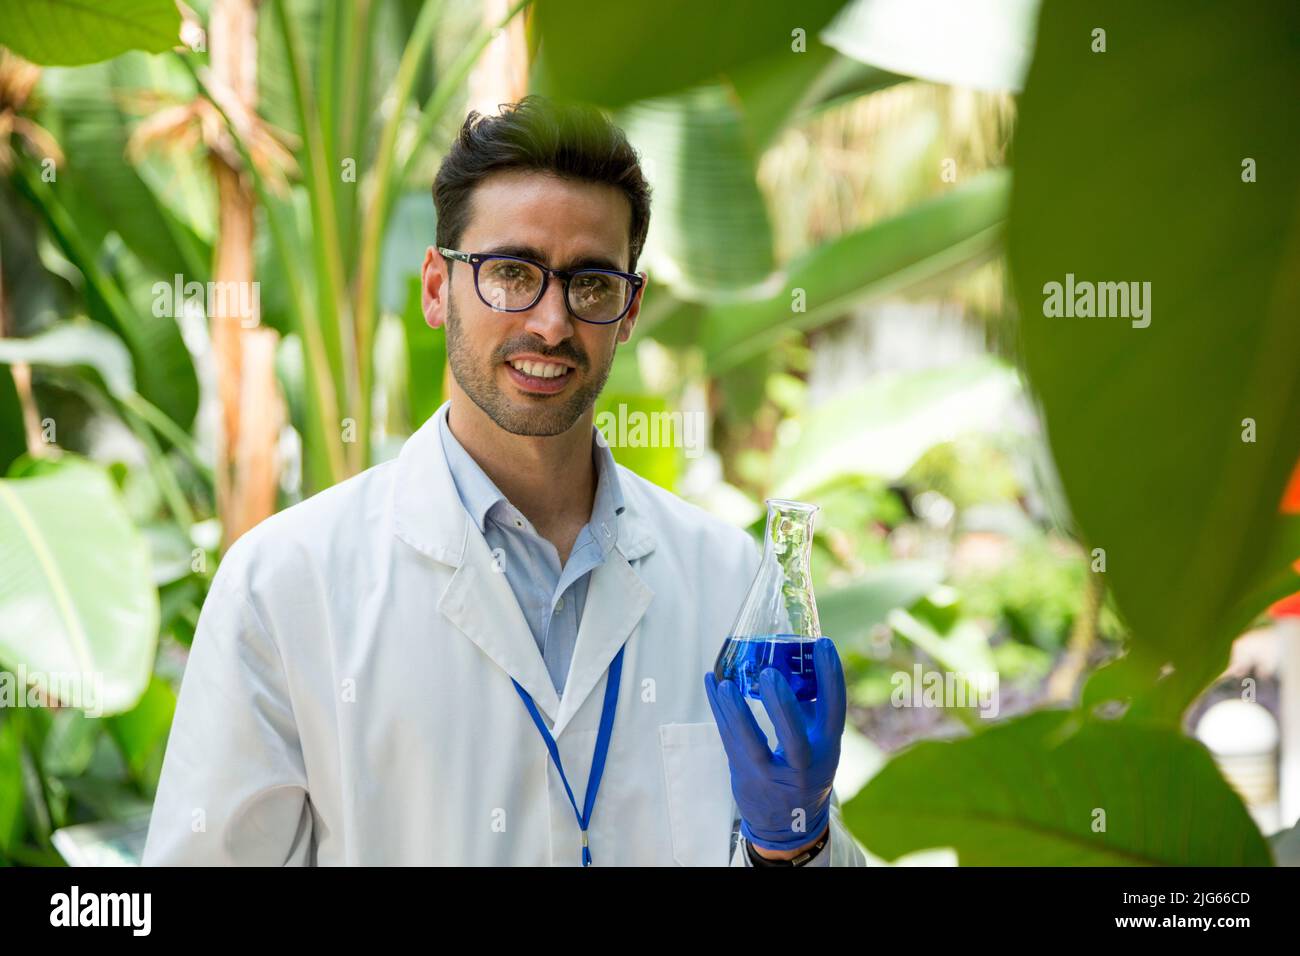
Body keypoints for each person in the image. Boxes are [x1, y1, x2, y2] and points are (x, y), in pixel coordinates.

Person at [143, 96, 866, 867]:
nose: (552, 322)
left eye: (590, 284)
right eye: (512, 272)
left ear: (628, 311)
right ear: (435, 287)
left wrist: (795, 839)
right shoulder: (286, 584)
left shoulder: (726, 584)